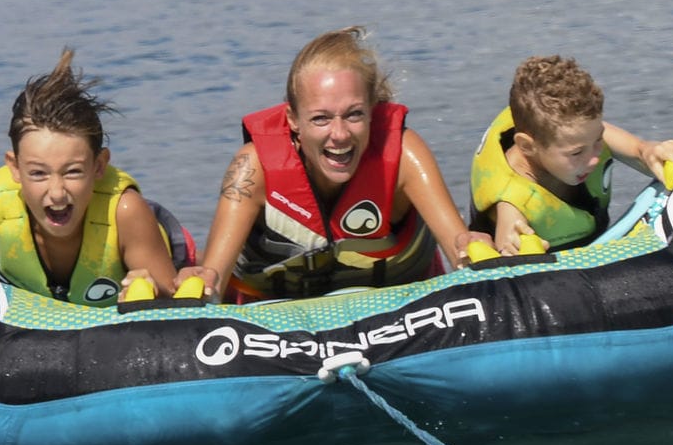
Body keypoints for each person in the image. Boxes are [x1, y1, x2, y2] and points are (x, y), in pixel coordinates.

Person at [183, 26, 490, 302]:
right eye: (321, 118)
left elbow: (459, 248)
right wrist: (200, 281)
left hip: (400, 303)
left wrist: (471, 245)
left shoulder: (404, 156)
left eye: (354, 114)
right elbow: (213, 280)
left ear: (372, 111)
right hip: (273, 310)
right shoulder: (253, 168)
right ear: (293, 120)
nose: (340, 134)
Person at [0, 49, 186, 305]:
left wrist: (152, 290)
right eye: (39, 173)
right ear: (14, 168)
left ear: (99, 166)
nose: (57, 192)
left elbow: (176, 308)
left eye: (73, 172)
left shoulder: (125, 213)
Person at [469, 55, 673, 253]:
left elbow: (641, 151)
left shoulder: (576, 136)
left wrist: (654, 151)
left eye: (599, 139)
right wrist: (510, 249)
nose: (594, 159)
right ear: (527, 147)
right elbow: (509, 251)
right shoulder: (511, 206)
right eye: (577, 153)